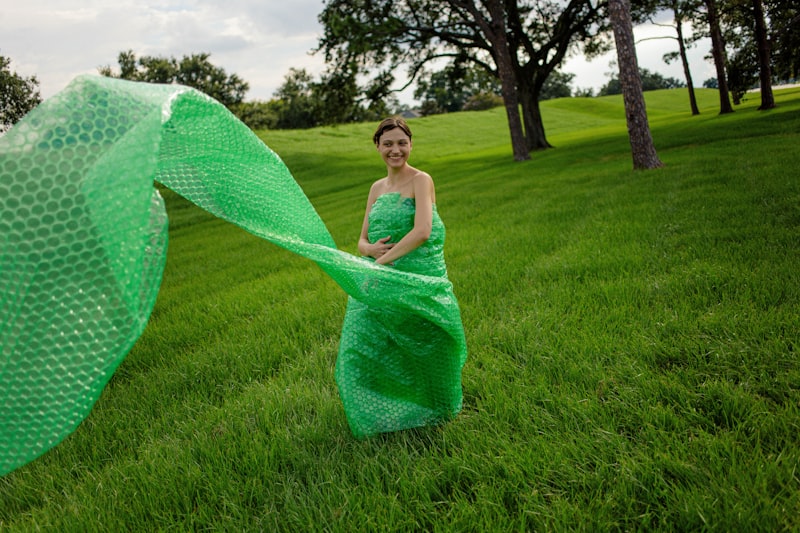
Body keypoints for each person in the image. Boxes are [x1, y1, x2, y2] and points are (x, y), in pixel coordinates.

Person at [335, 117, 464, 438]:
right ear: (377, 146)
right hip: (379, 278)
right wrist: (370, 253)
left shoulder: (421, 180)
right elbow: (361, 242)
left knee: (426, 339)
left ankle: (437, 408)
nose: (396, 150)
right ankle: (380, 413)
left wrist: (383, 261)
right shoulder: (376, 188)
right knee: (362, 345)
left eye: (402, 143)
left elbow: (422, 232)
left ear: (411, 144)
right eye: (388, 143)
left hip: (417, 276)